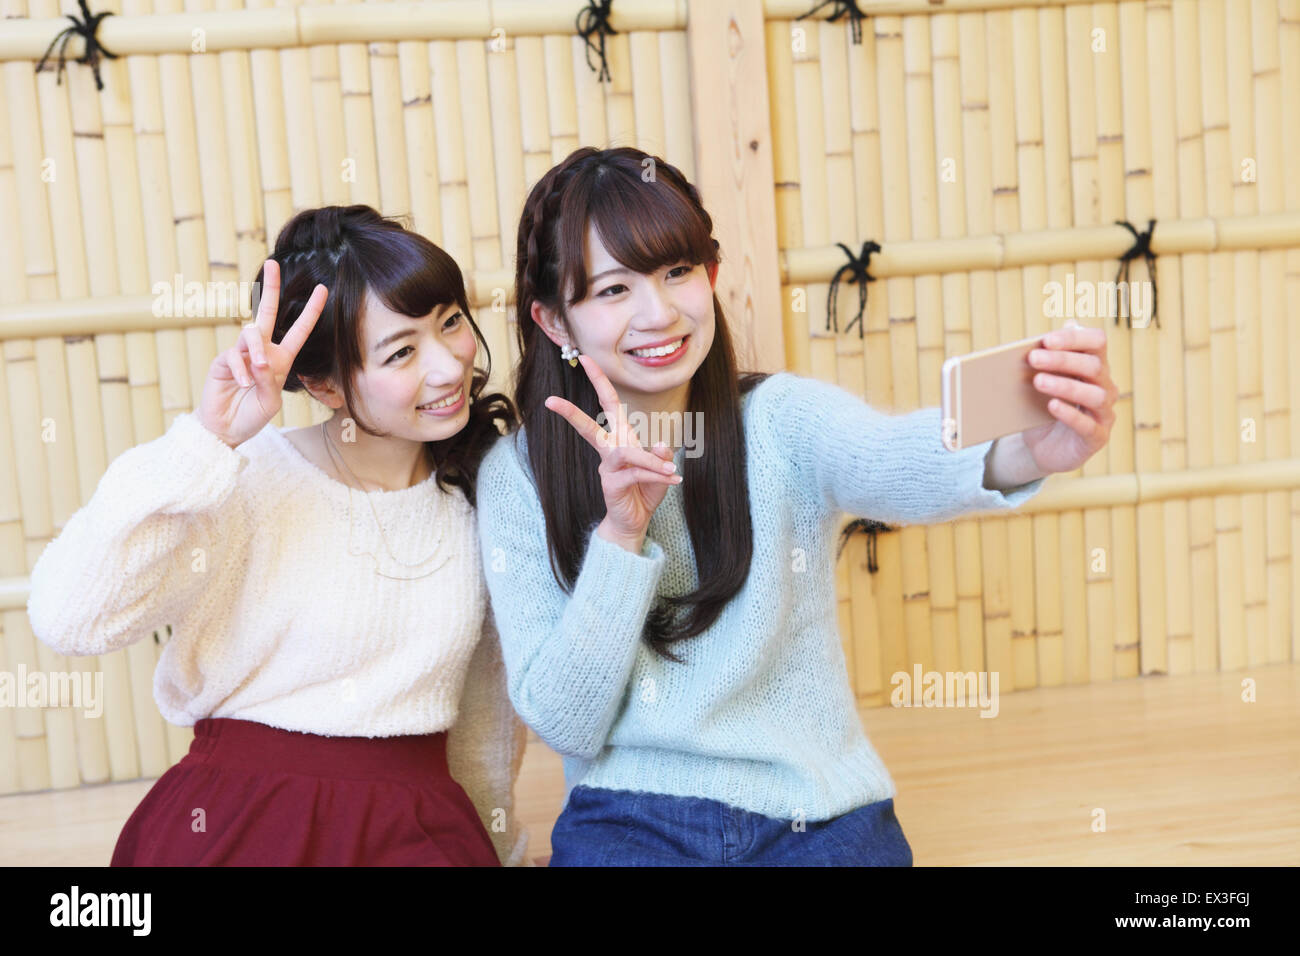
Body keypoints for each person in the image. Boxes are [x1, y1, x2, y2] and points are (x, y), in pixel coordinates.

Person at [475, 147, 1116, 866]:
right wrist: (622, 533)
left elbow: (891, 454)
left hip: (815, 808)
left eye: (676, 272)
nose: (658, 314)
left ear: (710, 276)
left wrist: (1026, 452)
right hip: (629, 818)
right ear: (554, 321)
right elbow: (566, 721)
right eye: (613, 290)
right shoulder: (519, 479)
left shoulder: (777, 419)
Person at [27, 204, 530, 866]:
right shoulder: (244, 478)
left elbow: (485, 724)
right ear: (323, 384)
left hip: (418, 835)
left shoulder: (486, 491)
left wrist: (500, 848)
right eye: (402, 351)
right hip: (239, 830)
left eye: (451, 323)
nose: (447, 367)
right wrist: (204, 441)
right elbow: (69, 616)